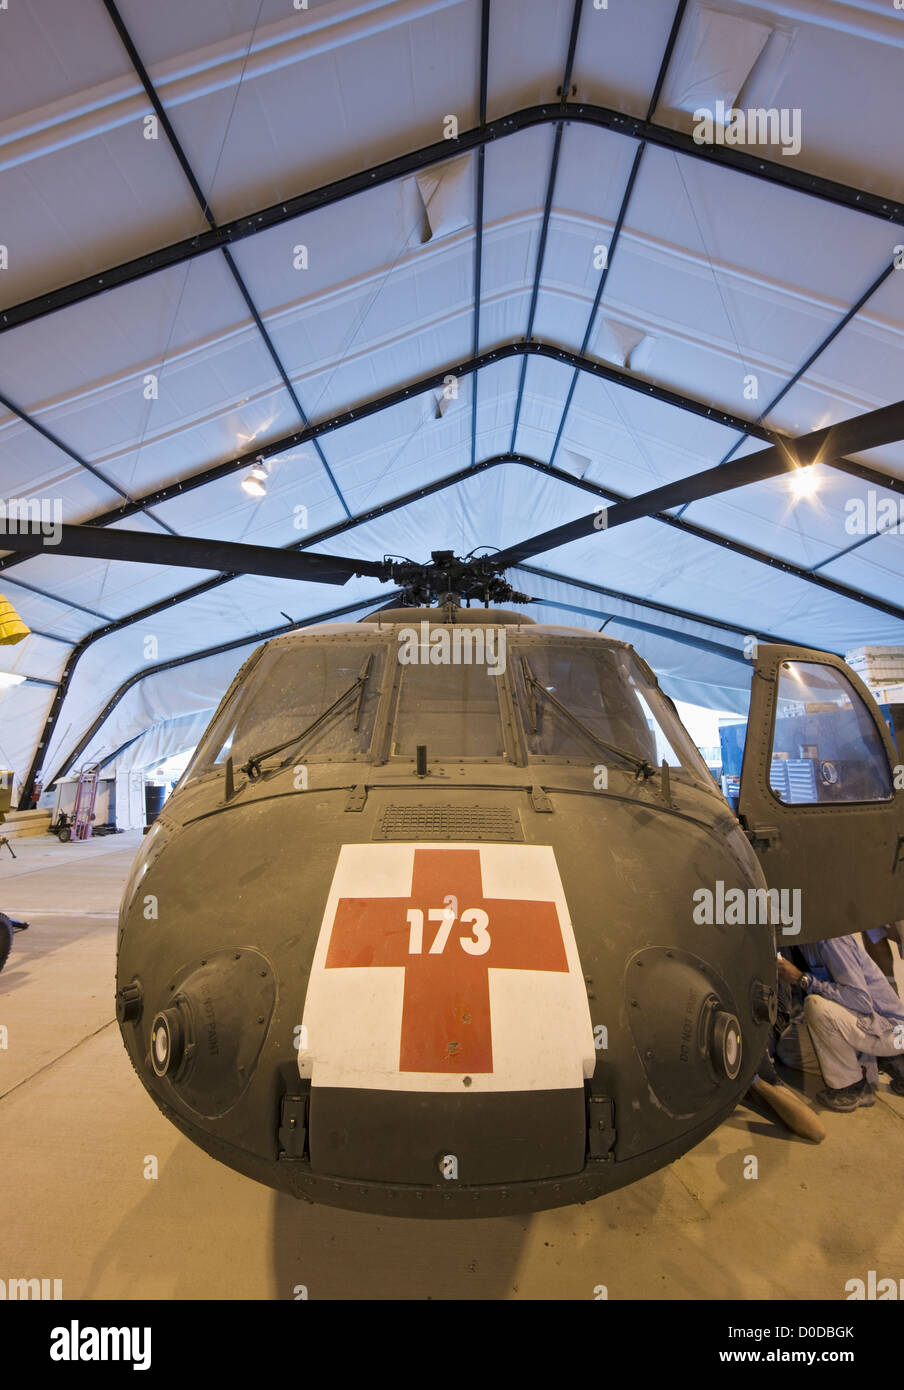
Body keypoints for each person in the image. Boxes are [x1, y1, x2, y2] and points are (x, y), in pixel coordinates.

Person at [776, 934, 904, 1111]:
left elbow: (860, 1000)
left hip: (888, 1028)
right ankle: (870, 1061)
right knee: (788, 1050)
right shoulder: (793, 943)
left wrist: (802, 979)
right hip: (859, 1023)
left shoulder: (831, 940)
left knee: (816, 1006)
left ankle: (852, 1086)